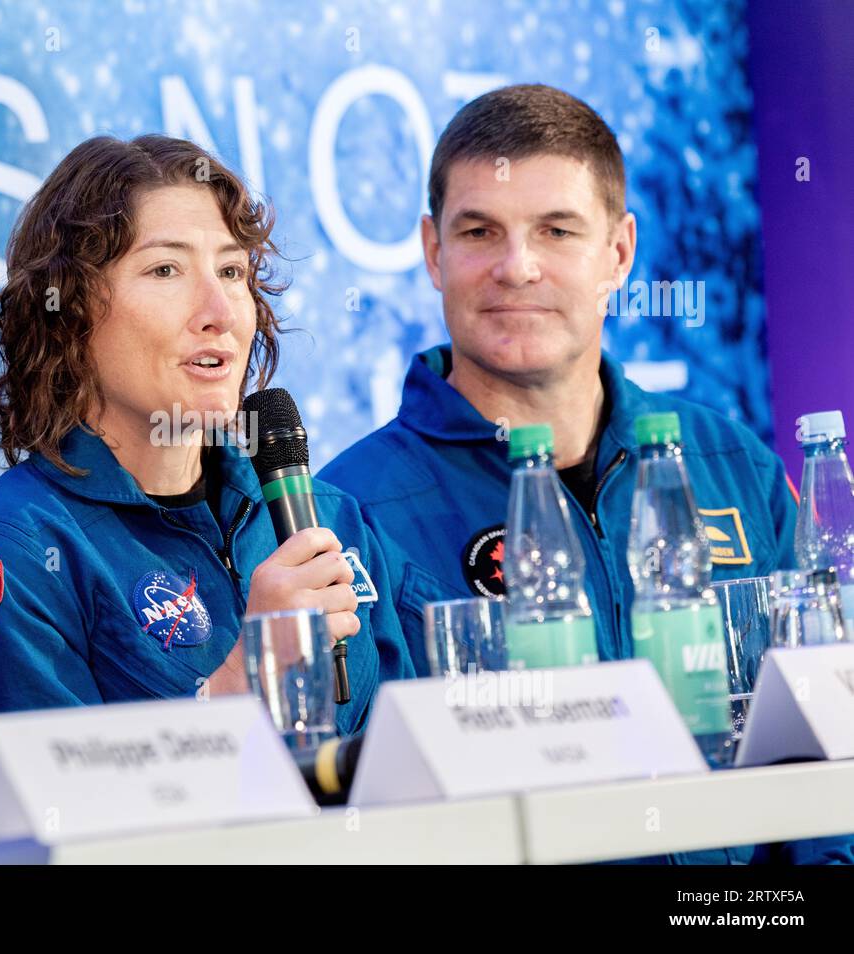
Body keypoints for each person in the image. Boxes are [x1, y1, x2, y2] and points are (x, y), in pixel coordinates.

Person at [321, 84, 852, 864]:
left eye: (557, 230)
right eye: (480, 232)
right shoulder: (353, 513)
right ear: (434, 252)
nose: (517, 267)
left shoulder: (732, 463)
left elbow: (826, 751)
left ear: (620, 252)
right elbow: (360, 821)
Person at [0, 134, 413, 765]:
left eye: (231, 271)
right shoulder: (8, 559)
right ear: (69, 313)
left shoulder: (328, 521)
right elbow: (57, 830)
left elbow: (410, 776)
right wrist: (237, 687)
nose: (219, 312)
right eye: (166, 270)